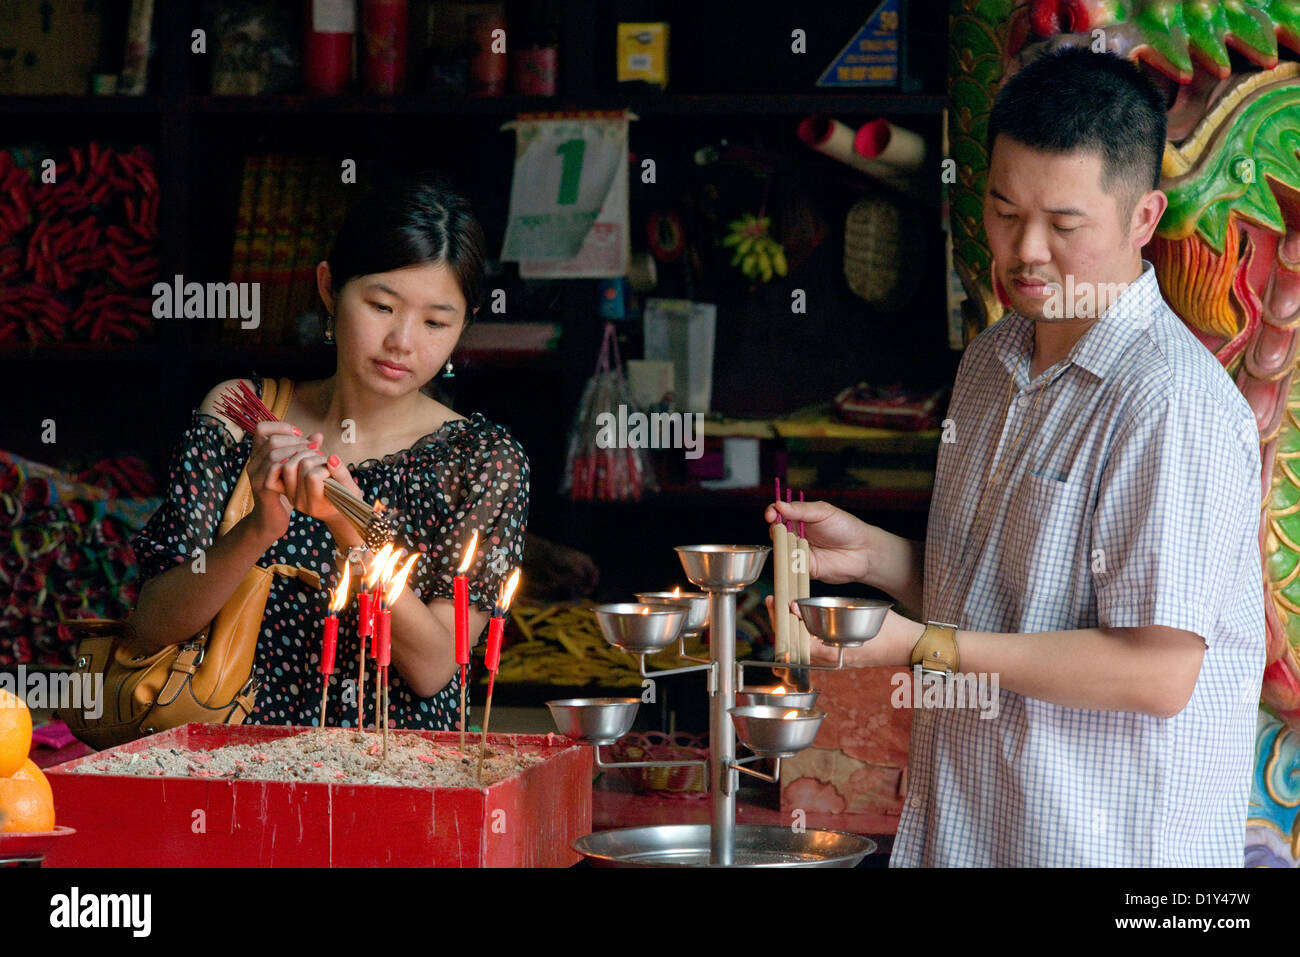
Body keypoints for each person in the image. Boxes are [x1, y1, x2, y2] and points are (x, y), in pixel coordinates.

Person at [766, 48, 1264, 866]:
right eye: (1003, 210)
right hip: (972, 828)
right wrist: (880, 559)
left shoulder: (1167, 403)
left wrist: (916, 646)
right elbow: (1016, 599)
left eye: (1064, 225)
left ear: (1143, 218)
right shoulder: (994, 359)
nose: (1026, 250)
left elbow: (1156, 672)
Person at [127, 173, 529, 730]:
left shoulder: (482, 461)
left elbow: (436, 666)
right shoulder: (243, 416)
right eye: (382, 306)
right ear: (328, 287)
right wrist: (259, 528)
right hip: (235, 761)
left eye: (437, 321)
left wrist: (352, 528)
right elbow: (152, 625)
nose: (403, 341)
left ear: (463, 327)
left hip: (394, 773)